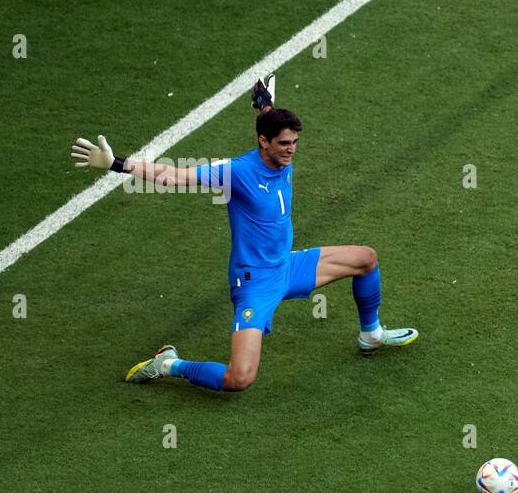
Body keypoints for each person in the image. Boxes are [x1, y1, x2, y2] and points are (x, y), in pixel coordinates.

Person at [69, 76, 417, 393]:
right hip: (255, 283)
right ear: (263, 142)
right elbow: (172, 176)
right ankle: (169, 363)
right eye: (284, 143)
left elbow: (269, 118)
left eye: (295, 142)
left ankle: (371, 336)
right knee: (239, 378)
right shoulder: (236, 172)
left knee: (365, 259)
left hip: (287, 266)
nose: (292, 149)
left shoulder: (281, 154)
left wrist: (264, 104)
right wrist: (119, 164)